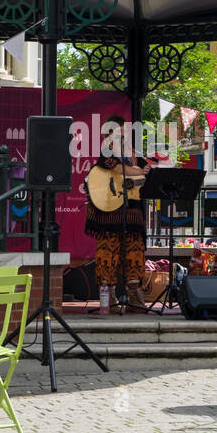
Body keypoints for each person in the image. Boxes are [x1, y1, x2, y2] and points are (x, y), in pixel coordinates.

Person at [84, 115, 150, 313]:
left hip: (131, 212)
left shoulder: (135, 153)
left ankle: (133, 291)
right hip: (109, 209)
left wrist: (146, 170)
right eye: (118, 130)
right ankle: (108, 294)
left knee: (134, 251)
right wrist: (136, 171)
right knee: (107, 251)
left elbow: (143, 173)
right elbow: (117, 167)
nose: (122, 134)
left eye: (124, 130)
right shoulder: (107, 150)